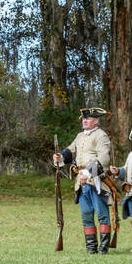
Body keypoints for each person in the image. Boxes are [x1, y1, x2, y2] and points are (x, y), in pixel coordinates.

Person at [52, 108, 115, 254]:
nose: (84, 121)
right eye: (83, 119)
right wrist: (59, 157)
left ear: (96, 121)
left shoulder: (101, 136)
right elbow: (69, 151)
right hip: (81, 182)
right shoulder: (80, 136)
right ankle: (91, 249)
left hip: (96, 181)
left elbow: (104, 158)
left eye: (88, 118)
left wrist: (87, 173)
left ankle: (103, 249)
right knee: (86, 215)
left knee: (102, 215)